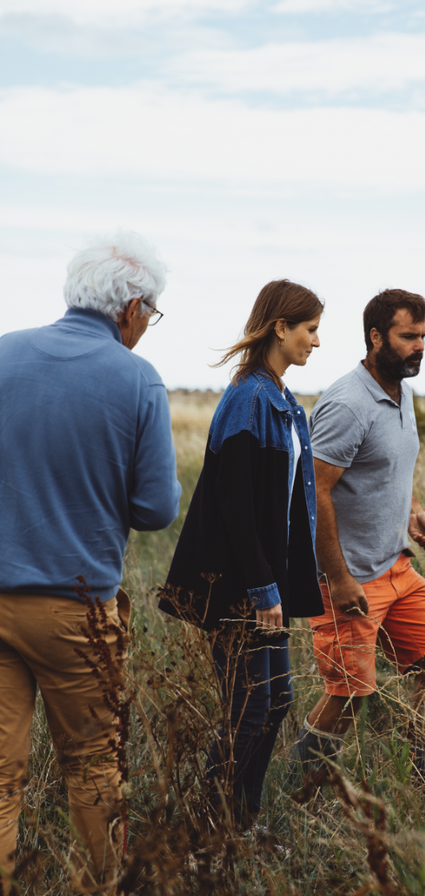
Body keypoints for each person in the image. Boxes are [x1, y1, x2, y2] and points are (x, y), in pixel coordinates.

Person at [0, 232, 181, 890]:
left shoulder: (2, 354)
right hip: (76, 610)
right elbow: (157, 510)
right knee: (95, 772)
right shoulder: (136, 379)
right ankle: (103, 886)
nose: (146, 327)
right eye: (151, 314)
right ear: (132, 307)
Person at [159, 280, 324, 831]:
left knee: (274, 702)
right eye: (309, 329)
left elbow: (278, 508)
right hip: (238, 586)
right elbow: (234, 506)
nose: (316, 342)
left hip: (262, 582)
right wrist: (261, 587)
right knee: (251, 709)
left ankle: (240, 823)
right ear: (280, 327)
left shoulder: (280, 400)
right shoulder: (249, 399)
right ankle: (211, 828)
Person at [288, 288, 425, 791]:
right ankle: (297, 799)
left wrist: (414, 509)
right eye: (409, 336)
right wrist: (338, 579)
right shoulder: (347, 404)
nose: (420, 346)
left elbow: (391, 465)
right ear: (376, 336)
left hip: (396, 568)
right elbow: (314, 493)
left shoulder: (402, 391)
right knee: (349, 693)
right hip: (349, 577)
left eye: (424, 337)